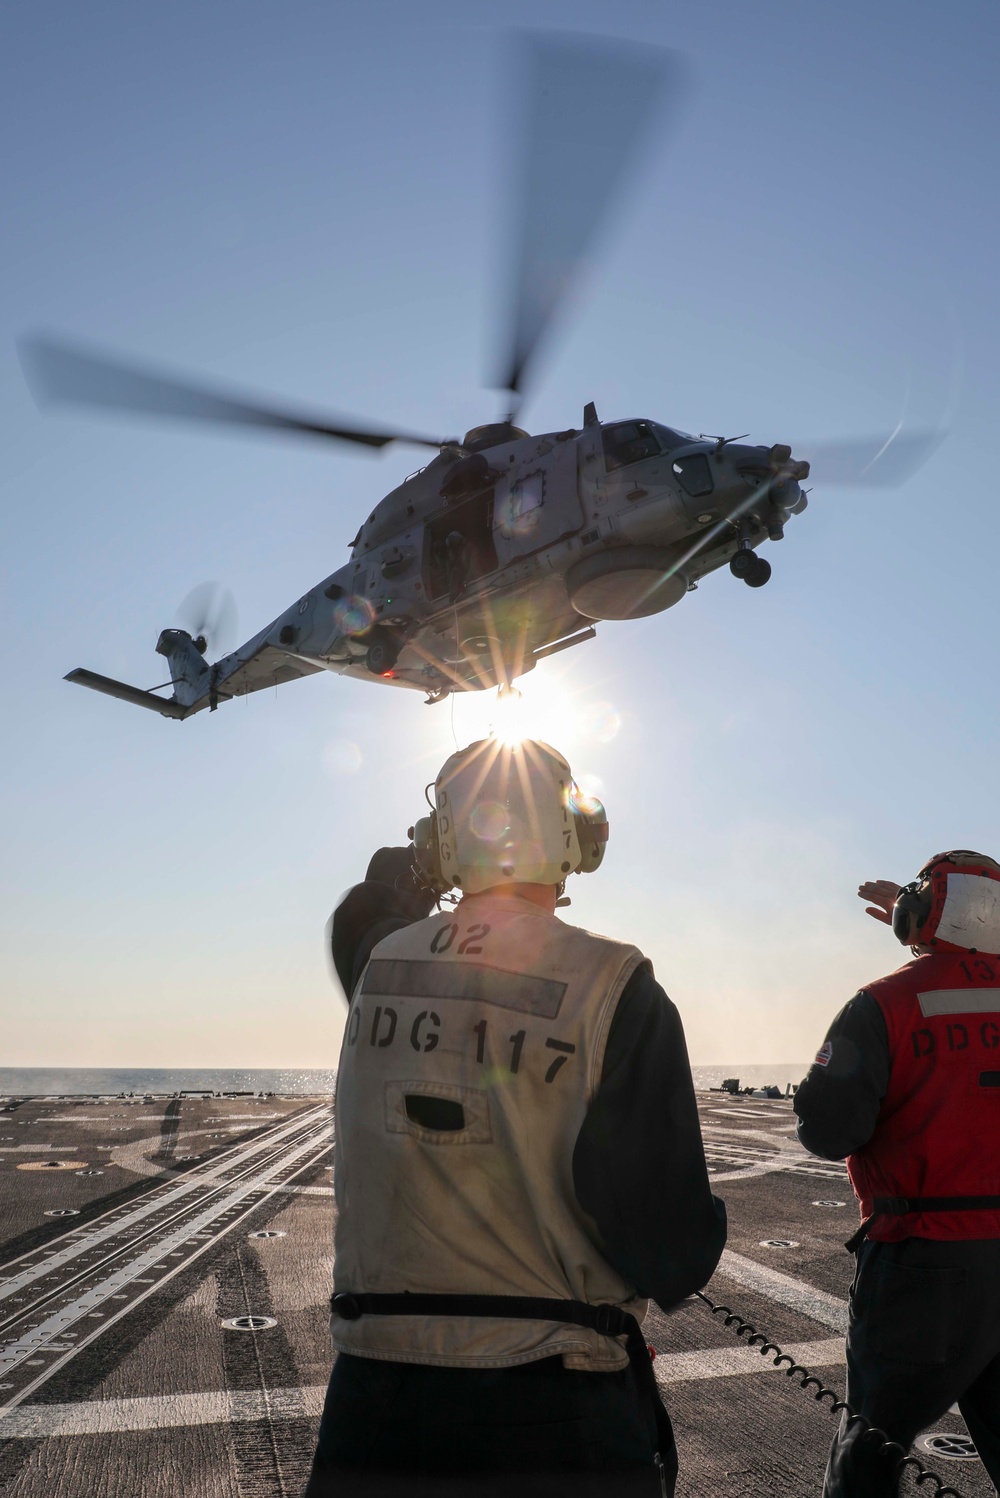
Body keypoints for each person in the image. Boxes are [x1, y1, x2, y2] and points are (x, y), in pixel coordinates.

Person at [305, 736, 726, 1497]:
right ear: (576, 838)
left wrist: (417, 871)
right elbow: (669, 1248)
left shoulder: (377, 966)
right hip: (558, 1406)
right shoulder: (614, 982)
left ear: (440, 843)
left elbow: (362, 916)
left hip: (374, 1403)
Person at [794, 850, 1000, 1498]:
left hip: (923, 1265)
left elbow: (828, 1132)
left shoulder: (883, 1004)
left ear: (919, 911)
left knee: (869, 1455)